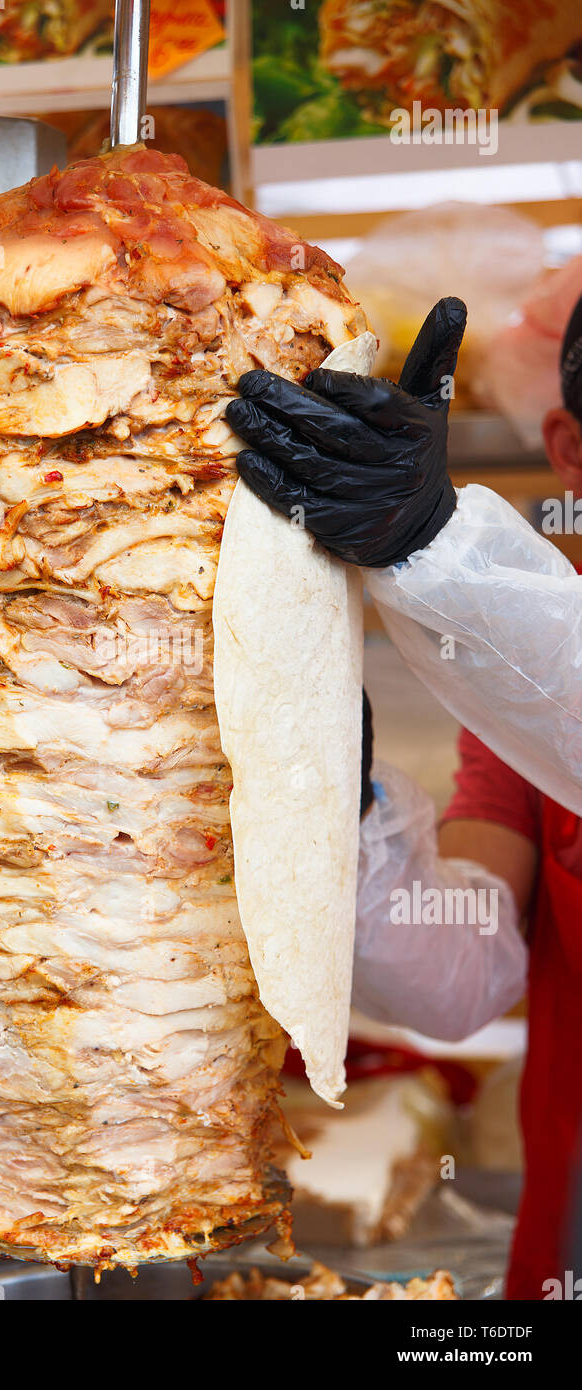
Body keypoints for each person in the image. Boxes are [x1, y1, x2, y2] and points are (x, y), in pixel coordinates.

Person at [226, 295, 582, 1299]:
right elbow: (456, 976)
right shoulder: (520, 689)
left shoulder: (527, 661)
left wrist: (434, 547)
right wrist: (344, 815)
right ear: (568, 449)